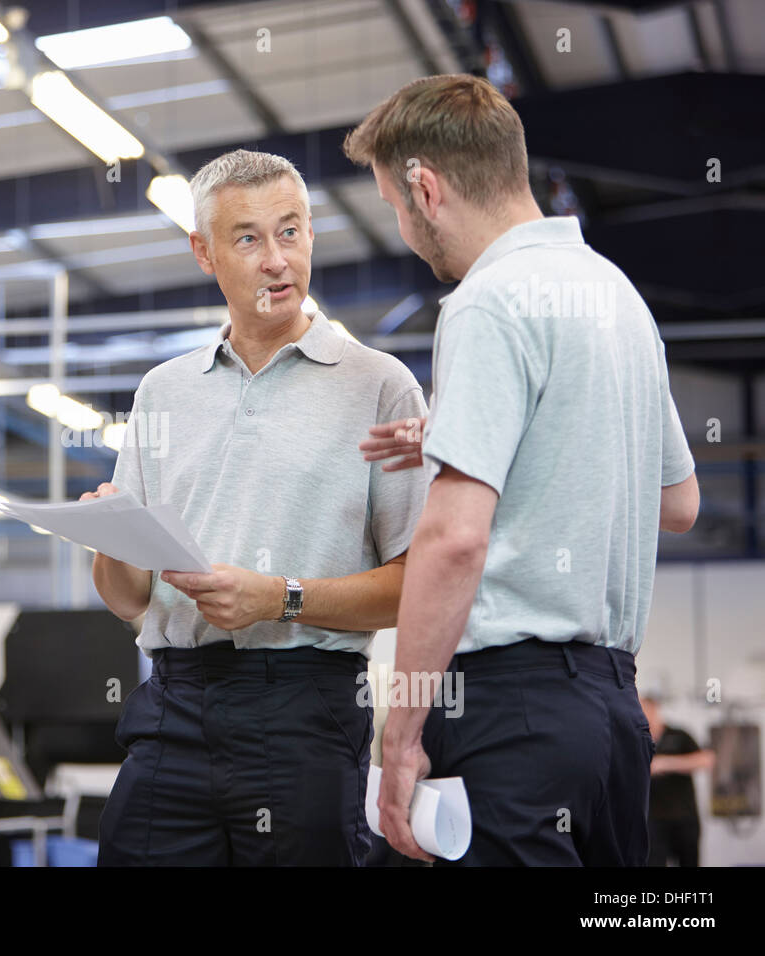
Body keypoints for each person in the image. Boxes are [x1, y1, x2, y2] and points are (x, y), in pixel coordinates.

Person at [343, 74, 701, 865]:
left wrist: (400, 730)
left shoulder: (487, 301)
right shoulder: (617, 297)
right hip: (611, 720)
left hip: (512, 714)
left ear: (426, 189)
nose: (402, 229)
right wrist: (482, 429)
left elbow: (455, 539)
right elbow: (679, 501)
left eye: (394, 208)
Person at [85, 149, 429, 866]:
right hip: (172, 706)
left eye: (291, 231)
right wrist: (110, 540)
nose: (277, 260)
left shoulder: (378, 385)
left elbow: (414, 587)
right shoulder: (163, 391)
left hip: (305, 710)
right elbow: (128, 600)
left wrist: (279, 598)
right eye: (247, 239)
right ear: (203, 253)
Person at [642, 695, 715, 867]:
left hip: (684, 818)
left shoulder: (679, 735)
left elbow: (706, 759)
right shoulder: (638, 741)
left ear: (654, 710)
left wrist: (666, 763)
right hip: (653, 821)